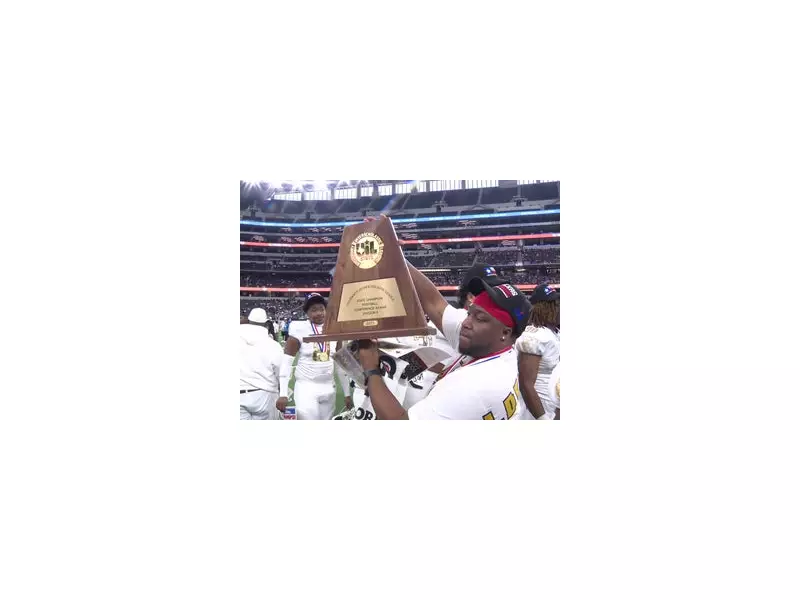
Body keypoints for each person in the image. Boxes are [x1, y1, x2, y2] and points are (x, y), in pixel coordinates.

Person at [352, 217, 532, 419]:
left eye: (479, 318)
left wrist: (371, 369)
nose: (466, 322)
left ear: (505, 332)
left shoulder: (474, 384)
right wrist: (395, 255)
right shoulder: (493, 348)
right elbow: (434, 303)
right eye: (469, 313)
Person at [277, 293, 352, 420]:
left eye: (321, 309)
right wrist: (283, 393)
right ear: (307, 313)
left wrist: (347, 393)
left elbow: (340, 366)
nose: (319, 313)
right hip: (306, 386)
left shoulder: (334, 329)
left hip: (329, 386)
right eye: (313, 310)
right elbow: (287, 363)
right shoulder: (299, 329)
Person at [516, 284, 560, 419]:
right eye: (556, 305)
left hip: (554, 402)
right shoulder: (534, 336)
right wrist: (542, 418)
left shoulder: (555, 332)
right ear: (544, 309)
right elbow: (526, 384)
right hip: (538, 408)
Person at [240, 308, 284, 420]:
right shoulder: (273, 345)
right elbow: (281, 372)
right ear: (265, 323)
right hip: (265, 395)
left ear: (248, 320)